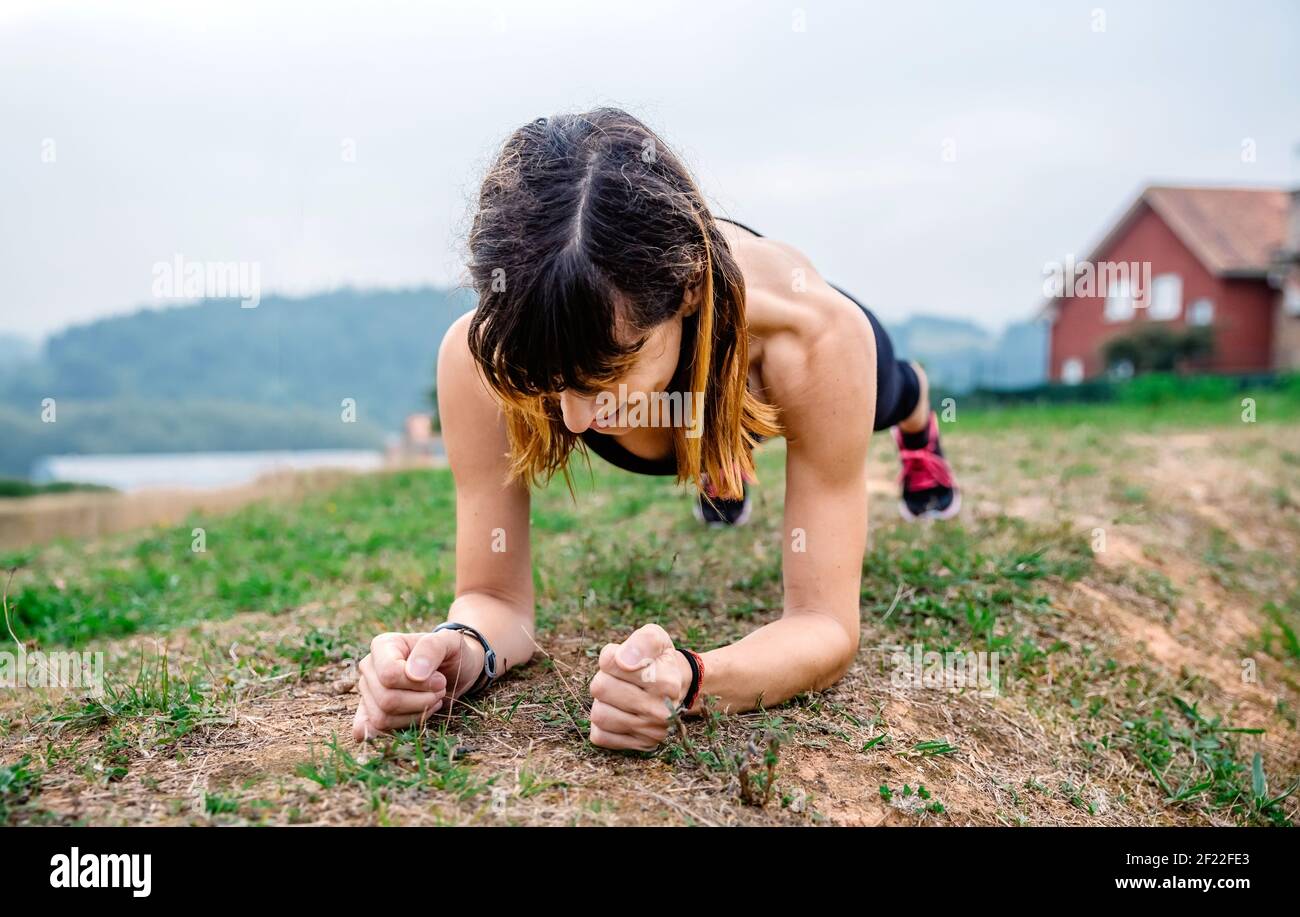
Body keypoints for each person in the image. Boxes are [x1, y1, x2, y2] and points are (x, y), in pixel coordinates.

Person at [352, 108, 960, 751]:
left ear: (689, 292)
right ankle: (714, 453)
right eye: (548, 381)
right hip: (699, 376)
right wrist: (459, 648)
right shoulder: (483, 357)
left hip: (747, 351)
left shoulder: (813, 336)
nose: (574, 418)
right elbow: (491, 598)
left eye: (601, 375)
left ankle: (906, 417)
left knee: (887, 392)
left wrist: (696, 681)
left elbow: (825, 626)